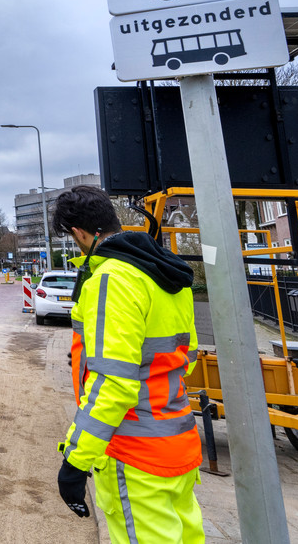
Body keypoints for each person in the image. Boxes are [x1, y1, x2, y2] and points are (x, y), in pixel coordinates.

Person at [51, 185, 202, 544]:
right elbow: (188, 358)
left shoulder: (111, 279)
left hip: (134, 457)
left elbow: (114, 384)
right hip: (177, 445)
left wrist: (75, 460)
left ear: (79, 234)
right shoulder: (166, 275)